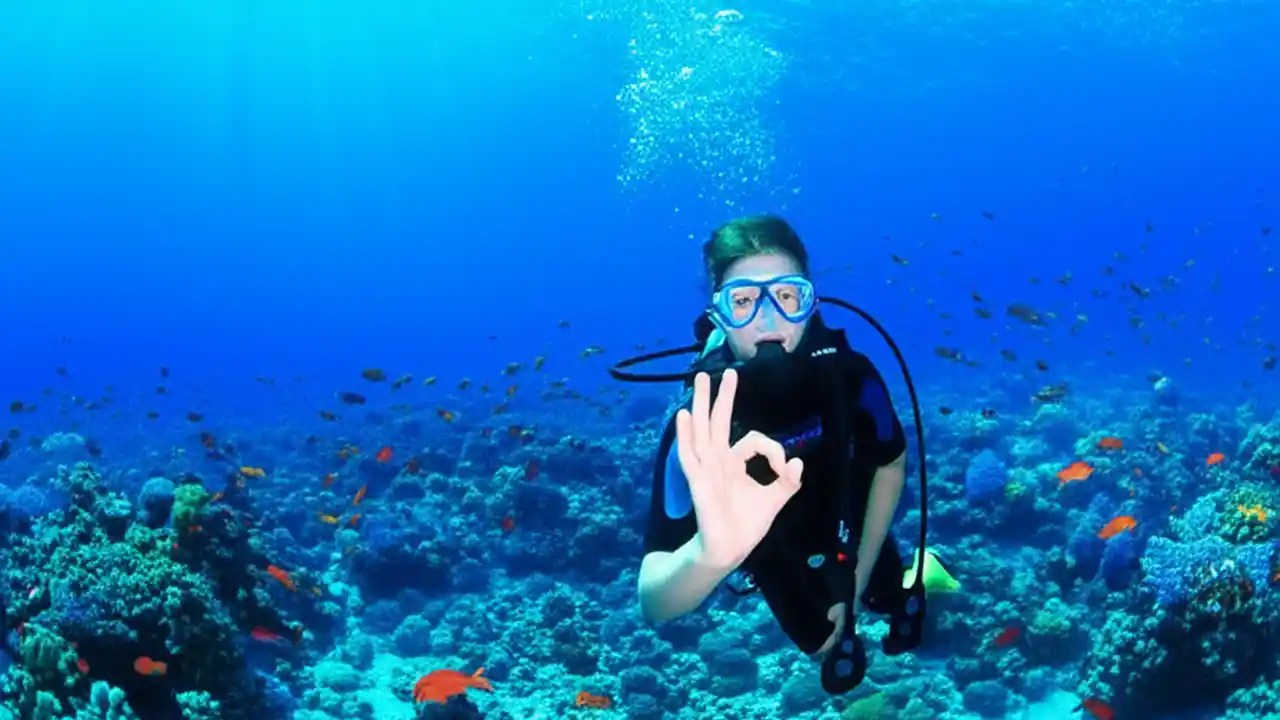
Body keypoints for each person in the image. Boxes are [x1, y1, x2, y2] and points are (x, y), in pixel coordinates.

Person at [618, 214, 931, 693]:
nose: (767, 320)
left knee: (889, 593)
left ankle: (902, 590)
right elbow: (654, 600)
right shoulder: (700, 423)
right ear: (718, 315)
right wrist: (711, 553)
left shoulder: (851, 377)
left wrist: (854, 581)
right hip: (770, 550)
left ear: (810, 302)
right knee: (826, 644)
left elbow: (890, 463)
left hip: (851, 510)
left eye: (786, 296)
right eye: (742, 301)